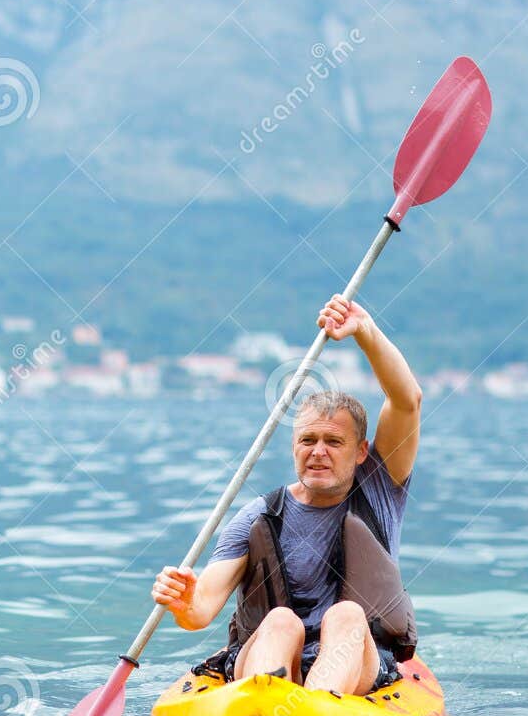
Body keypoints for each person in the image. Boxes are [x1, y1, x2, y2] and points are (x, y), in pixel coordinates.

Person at [151, 294, 421, 695]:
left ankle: (315, 709)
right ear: (293, 445)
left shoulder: (379, 489)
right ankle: (271, 712)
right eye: (307, 439)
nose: (318, 451)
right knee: (280, 621)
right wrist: (184, 600)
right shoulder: (258, 516)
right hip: (269, 660)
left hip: (354, 668)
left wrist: (364, 331)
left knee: (346, 615)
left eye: (333, 441)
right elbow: (200, 611)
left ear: (361, 451)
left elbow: (406, 400)